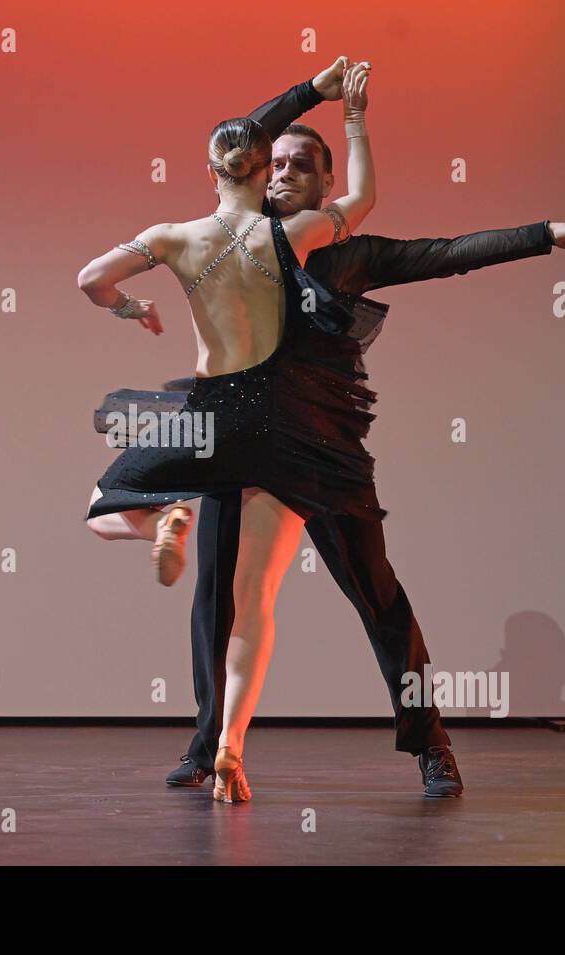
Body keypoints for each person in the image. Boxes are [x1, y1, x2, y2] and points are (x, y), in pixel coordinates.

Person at [156, 59, 565, 797]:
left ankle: (430, 743)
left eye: (300, 164)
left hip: (326, 449)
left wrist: (549, 233)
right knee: (219, 595)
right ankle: (212, 739)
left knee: (380, 599)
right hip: (245, 438)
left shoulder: (351, 250)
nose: (280, 172)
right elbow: (240, 136)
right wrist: (312, 91)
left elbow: (449, 254)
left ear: (324, 181)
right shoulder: (238, 233)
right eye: (272, 163)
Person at [78, 64, 378, 801]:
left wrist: (131, 310)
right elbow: (363, 200)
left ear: (210, 169)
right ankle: (231, 748)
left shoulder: (174, 236)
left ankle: (159, 520)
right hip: (271, 424)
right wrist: (354, 116)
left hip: (209, 415)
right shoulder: (290, 237)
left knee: (102, 503)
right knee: (254, 599)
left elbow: (91, 278)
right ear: (261, 169)